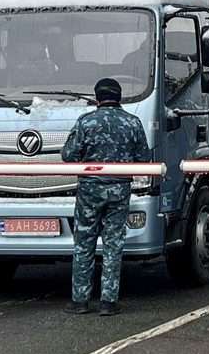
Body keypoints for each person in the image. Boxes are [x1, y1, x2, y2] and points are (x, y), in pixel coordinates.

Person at [61, 78, 150, 316]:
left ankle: (80, 300)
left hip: (89, 190)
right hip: (119, 190)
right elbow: (144, 158)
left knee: (84, 243)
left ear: (97, 97)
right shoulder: (132, 122)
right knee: (113, 244)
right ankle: (108, 302)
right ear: (119, 97)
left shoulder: (86, 122)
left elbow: (68, 155)